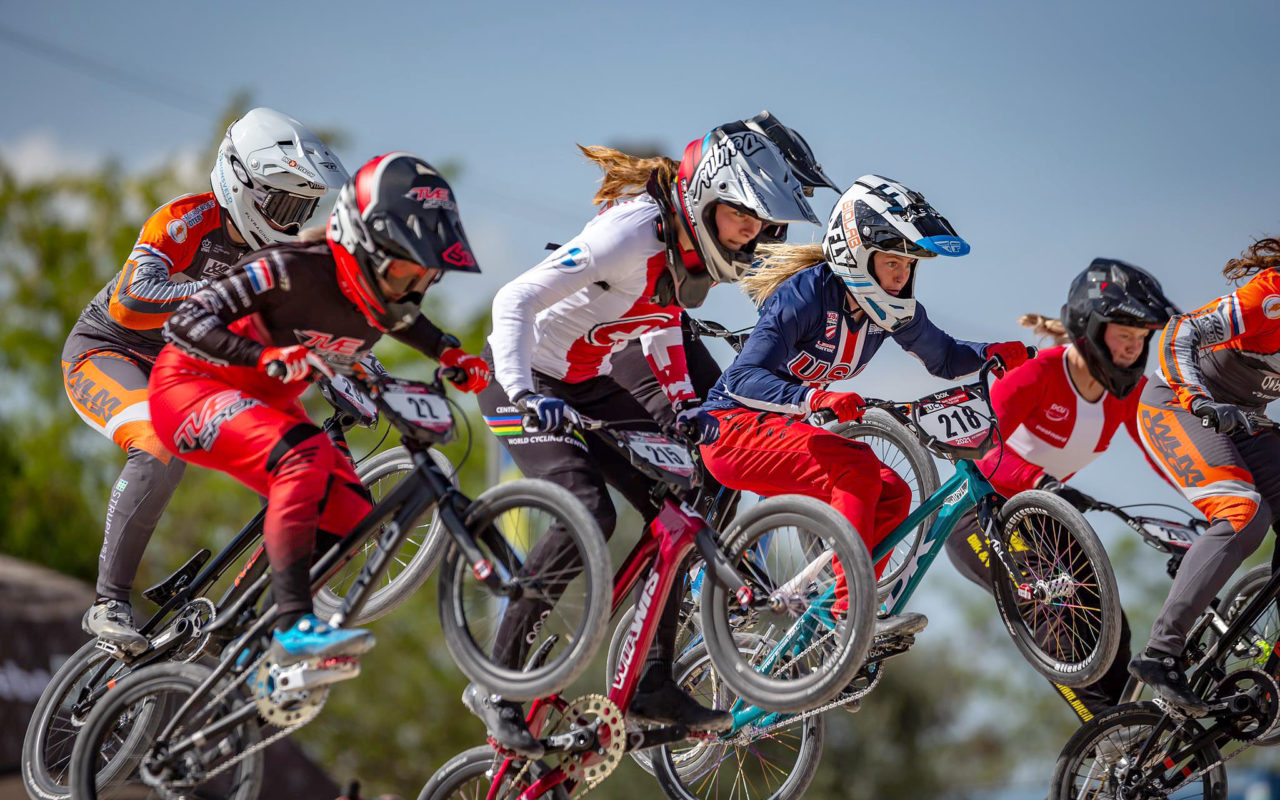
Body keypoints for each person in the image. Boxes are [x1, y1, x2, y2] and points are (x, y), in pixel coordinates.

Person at [472, 121, 818, 757]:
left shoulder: (699, 250)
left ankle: (650, 677)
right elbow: (514, 300)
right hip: (516, 377)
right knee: (587, 508)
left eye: (766, 225)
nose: (756, 234)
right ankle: (498, 683)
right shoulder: (632, 232)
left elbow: (659, 332)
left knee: (686, 505)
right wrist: (523, 393)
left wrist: (687, 410)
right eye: (747, 217)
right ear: (710, 196)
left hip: (587, 383)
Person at [147, 152, 490, 672]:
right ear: (365, 245)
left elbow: (409, 324)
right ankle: (292, 626)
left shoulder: (380, 299)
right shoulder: (286, 269)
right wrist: (261, 356)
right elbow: (184, 323)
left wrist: (450, 353)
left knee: (353, 517)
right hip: (189, 387)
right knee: (304, 456)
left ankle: (245, 635)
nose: (413, 290)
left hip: (264, 405)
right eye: (404, 271)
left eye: (426, 279)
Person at [699, 174, 1033, 641]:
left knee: (892, 491)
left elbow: (943, 358)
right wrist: (813, 397)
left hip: (787, 433)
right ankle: (848, 617)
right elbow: (743, 378)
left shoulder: (893, 310)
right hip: (732, 429)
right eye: (892, 261)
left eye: (909, 264)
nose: (901, 275)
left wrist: (990, 351)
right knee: (855, 470)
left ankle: (835, 631)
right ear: (857, 255)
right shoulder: (806, 294)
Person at [63, 107, 348, 654]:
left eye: (303, 208)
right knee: (159, 445)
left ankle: (246, 609)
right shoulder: (186, 219)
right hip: (110, 352)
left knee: (293, 451)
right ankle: (108, 602)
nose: (291, 220)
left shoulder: (278, 252)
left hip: (191, 368)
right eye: (284, 204)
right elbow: (130, 301)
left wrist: (358, 364)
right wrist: (216, 298)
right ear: (243, 183)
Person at [943, 260, 1178, 721]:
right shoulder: (1040, 375)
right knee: (1056, 614)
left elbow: (1164, 452)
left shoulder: (1126, 391)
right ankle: (1105, 732)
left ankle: (1130, 753)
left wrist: (1202, 510)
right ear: (1090, 330)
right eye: (1122, 336)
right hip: (977, 511)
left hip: (1045, 515)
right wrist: (1038, 482)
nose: (1133, 349)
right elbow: (976, 448)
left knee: (1113, 630)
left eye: (1141, 339)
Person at [1128, 237, 1280, 716]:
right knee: (1244, 513)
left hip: (1247, 418)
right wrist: (1197, 398)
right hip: (1178, 403)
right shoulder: (1269, 296)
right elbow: (1181, 333)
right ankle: (1161, 653)